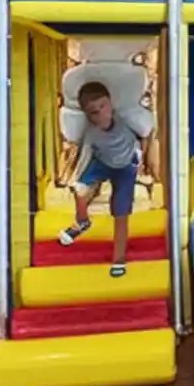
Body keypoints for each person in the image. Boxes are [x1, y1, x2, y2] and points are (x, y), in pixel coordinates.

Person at [58, 81, 149, 278]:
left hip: (125, 167)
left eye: (103, 106)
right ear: (86, 115)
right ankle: (82, 221)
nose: (101, 114)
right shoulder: (92, 133)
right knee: (80, 188)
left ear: (111, 103)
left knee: (121, 212)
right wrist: (77, 181)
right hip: (102, 162)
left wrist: (140, 160)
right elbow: (84, 155)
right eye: (93, 112)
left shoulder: (124, 120)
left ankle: (119, 258)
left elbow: (144, 133)